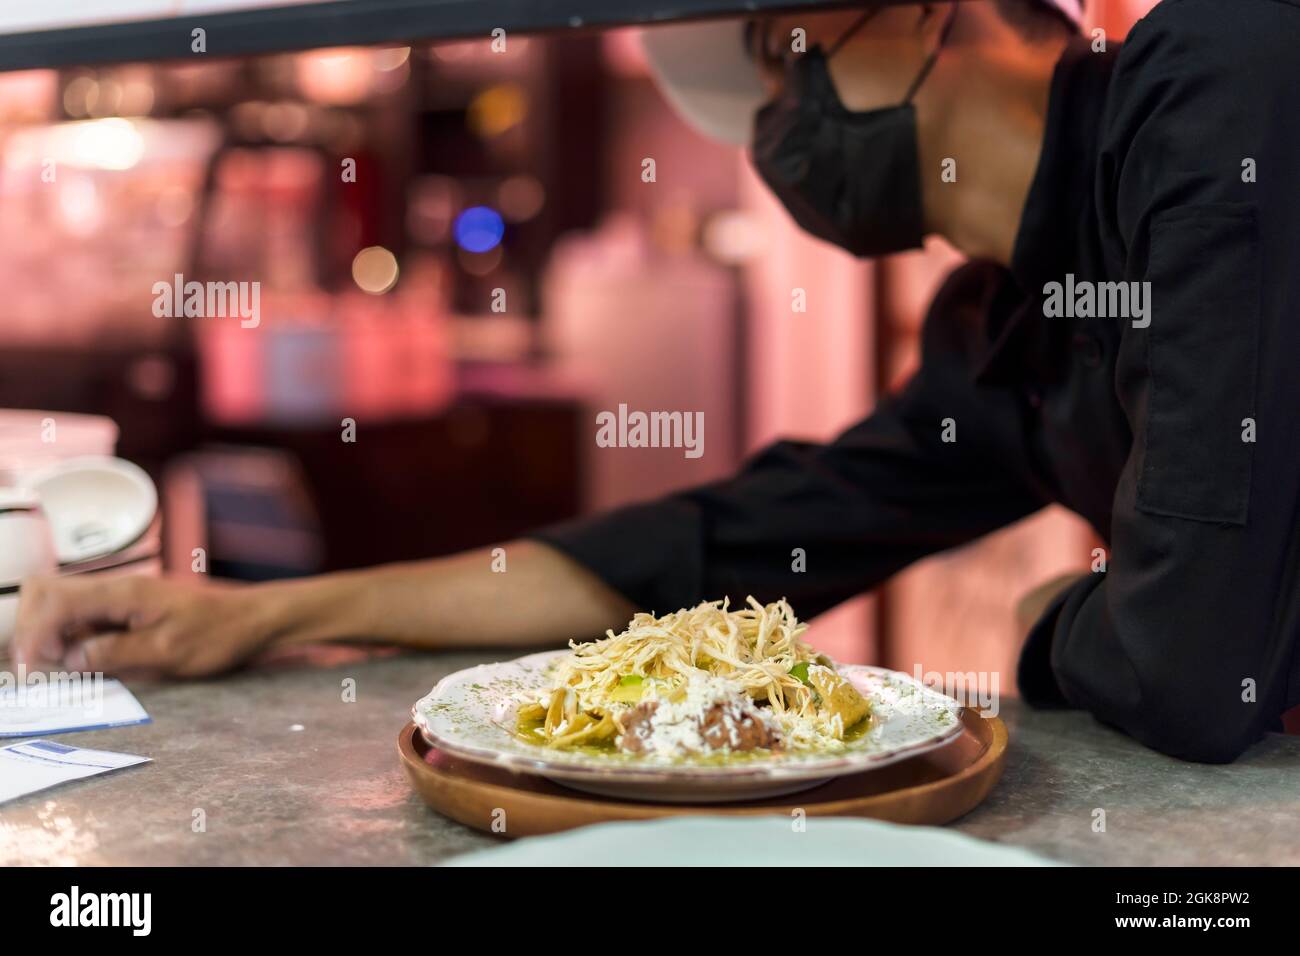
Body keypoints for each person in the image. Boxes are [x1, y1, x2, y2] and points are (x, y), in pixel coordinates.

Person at [15, 0, 1300, 763]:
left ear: (920, 10)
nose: (781, 126)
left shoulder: (1218, 72)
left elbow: (1185, 668)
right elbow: (699, 549)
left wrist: (1046, 623)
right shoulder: (1003, 338)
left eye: (786, 59)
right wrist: (261, 616)